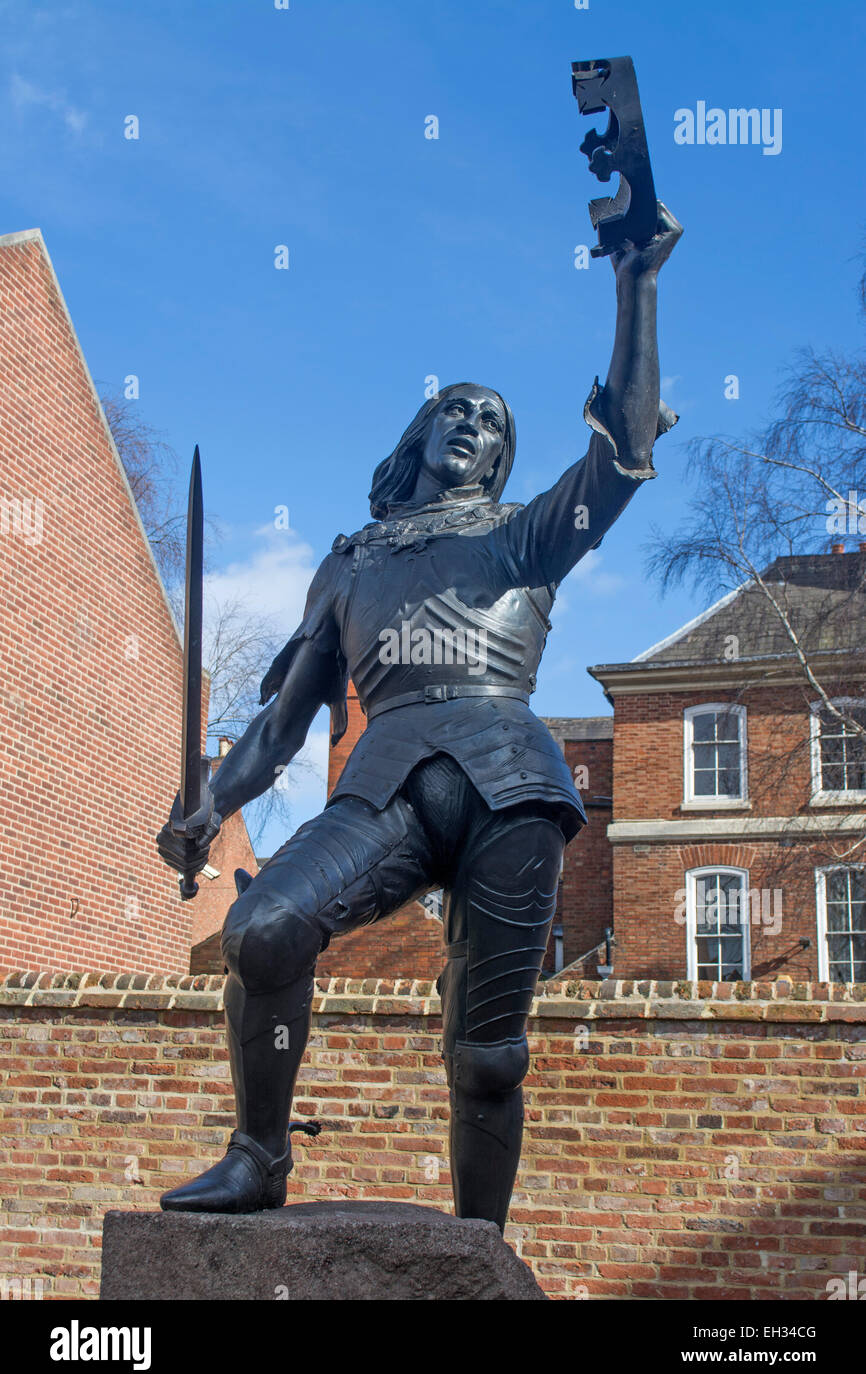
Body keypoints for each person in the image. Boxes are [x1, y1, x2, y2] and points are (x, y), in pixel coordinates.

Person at [156, 204, 682, 1229]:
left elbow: (622, 447)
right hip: (380, 784)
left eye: (492, 421)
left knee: (484, 1052)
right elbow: (279, 727)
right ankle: (260, 1156)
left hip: (511, 783)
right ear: (420, 430)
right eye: (454, 408)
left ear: (499, 458)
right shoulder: (351, 561)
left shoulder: (528, 535)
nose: (471, 425)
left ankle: (479, 1250)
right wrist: (205, 802)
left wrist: (635, 283)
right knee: (262, 927)